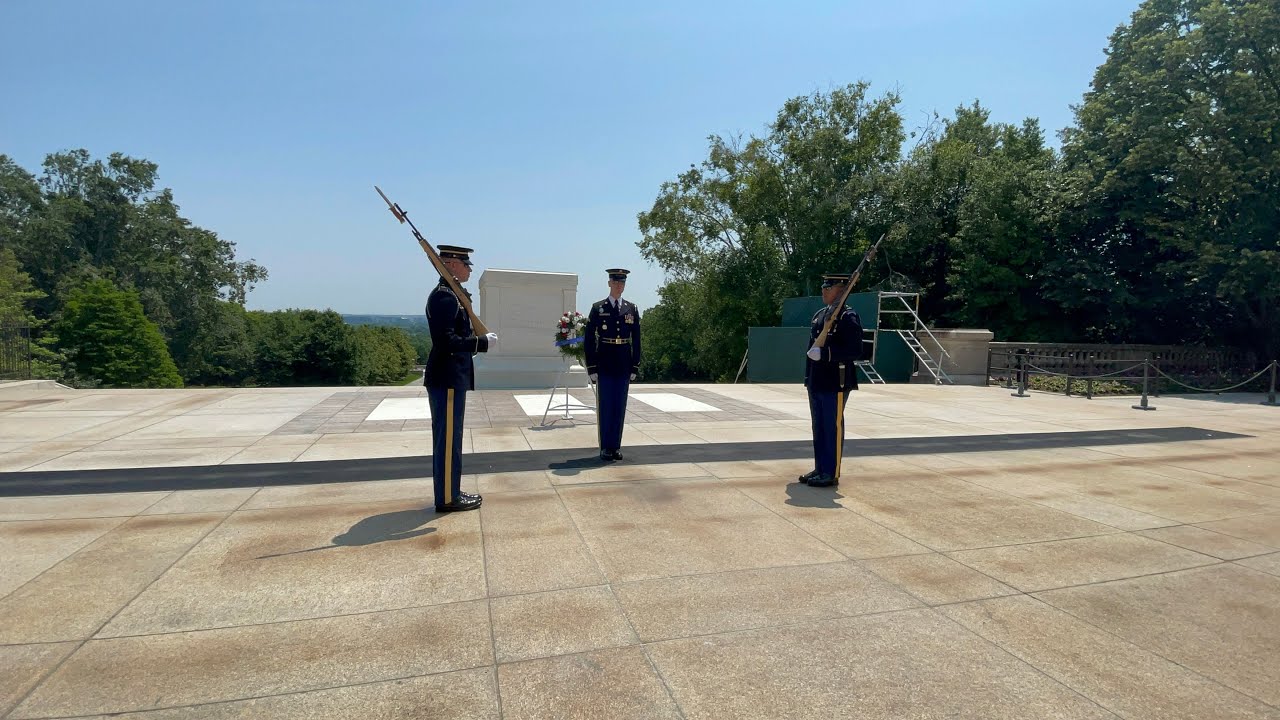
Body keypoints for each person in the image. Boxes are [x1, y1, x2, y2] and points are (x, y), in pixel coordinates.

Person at [425, 245, 497, 512]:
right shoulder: (444, 298)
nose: (468, 268)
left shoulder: (452, 295)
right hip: (447, 379)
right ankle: (447, 498)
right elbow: (446, 342)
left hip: (451, 378)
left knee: (451, 440)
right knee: (447, 441)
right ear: (451, 265)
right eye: (465, 264)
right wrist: (480, 343)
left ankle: (451, 490)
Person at [800, 273, 864, 487]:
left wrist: (827, 354)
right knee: (819, 427)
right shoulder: (820, 315)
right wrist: (808, 377)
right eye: (823, 286)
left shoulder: (848, 317)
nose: (824, 290)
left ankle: (831, 472)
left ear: (842, 290)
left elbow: (855, 350)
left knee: (832, 427)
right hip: (817, 380)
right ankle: (820, 468)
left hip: (836, 381)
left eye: (830, 287)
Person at [584, 268, 642, 461]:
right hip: (605, 361)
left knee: (619, 406)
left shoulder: (631, 308)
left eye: (622, 283)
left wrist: (635, 365)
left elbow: (637, 338)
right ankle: (605, 447)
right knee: (606, 406)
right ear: (609, 283)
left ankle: (616, 446)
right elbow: (590, 339)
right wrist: (591, 366)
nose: (619, 286)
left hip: (623, 362)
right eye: (616, 282)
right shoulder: (598, 308)